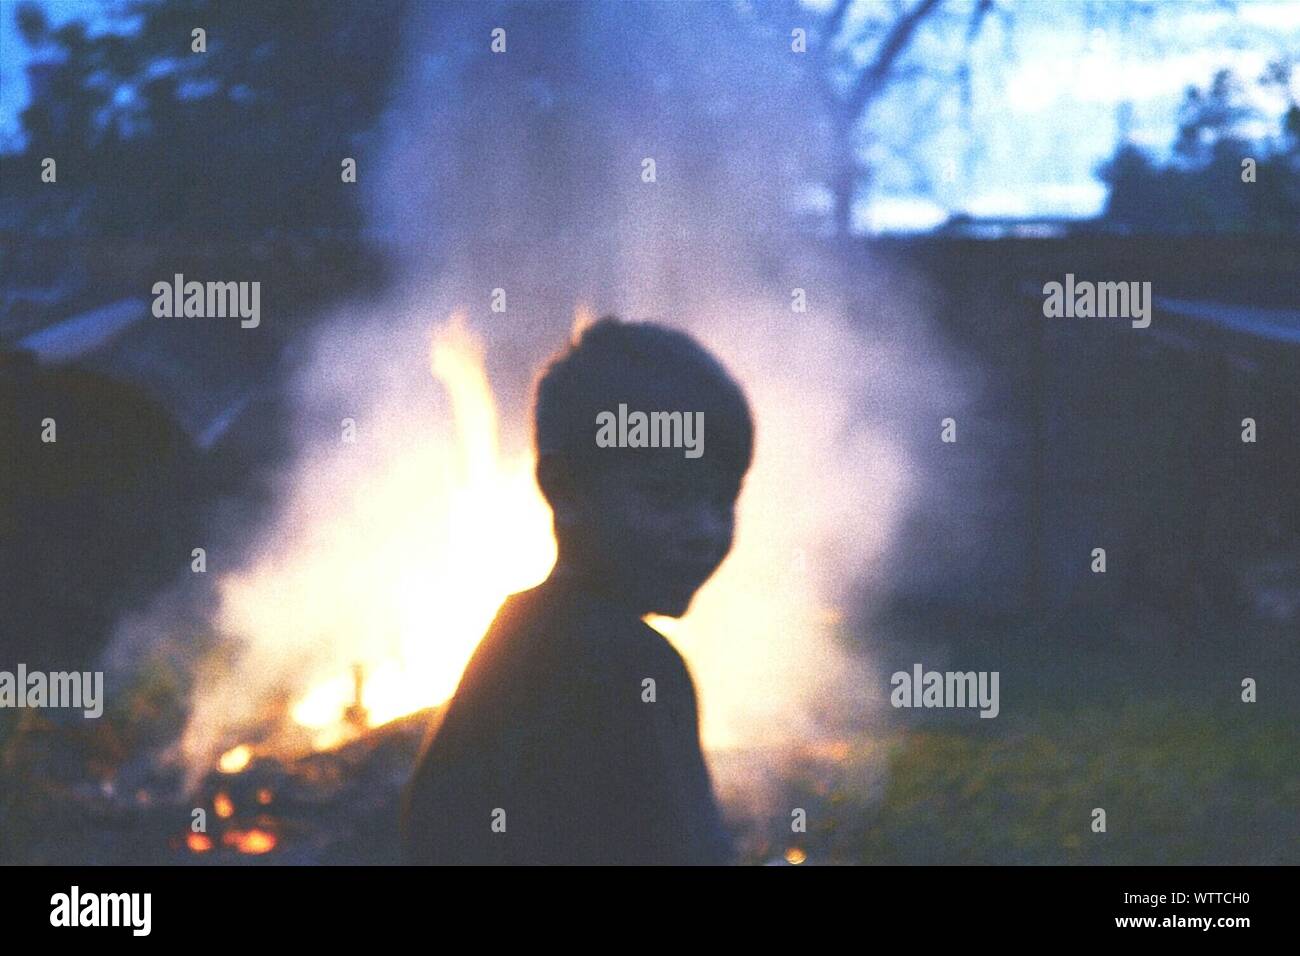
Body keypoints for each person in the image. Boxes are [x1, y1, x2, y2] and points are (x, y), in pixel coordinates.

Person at [401, 317, 754, 864]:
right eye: (667, 496)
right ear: (562, 488)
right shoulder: (632, 665)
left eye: (721, 500)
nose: (704, 529)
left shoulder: (515, 634)